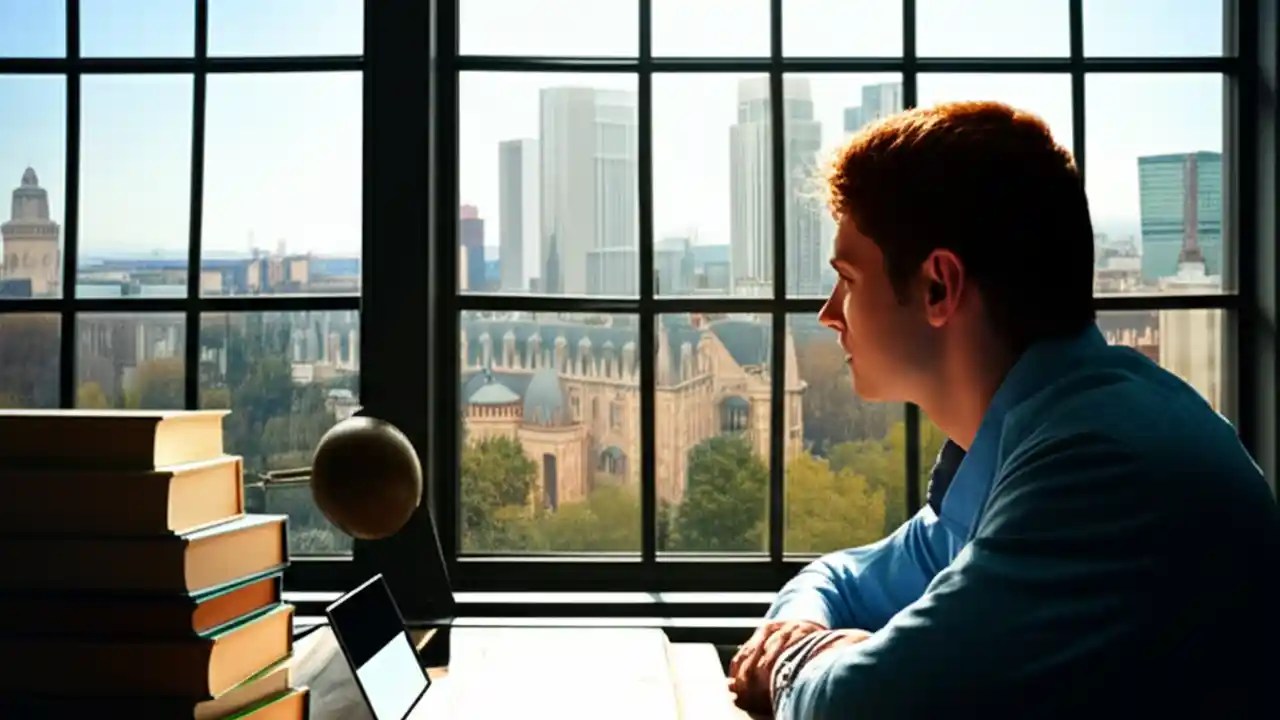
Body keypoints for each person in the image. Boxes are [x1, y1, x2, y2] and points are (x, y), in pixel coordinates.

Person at [727, 101, 1280, 718]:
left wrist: (794, 665)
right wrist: (804, 637)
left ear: (939, 286)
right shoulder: (1041, 440)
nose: (830, 313)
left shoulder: (1101, 470)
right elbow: (840, 580)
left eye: (849, 280)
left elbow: (864, 706)